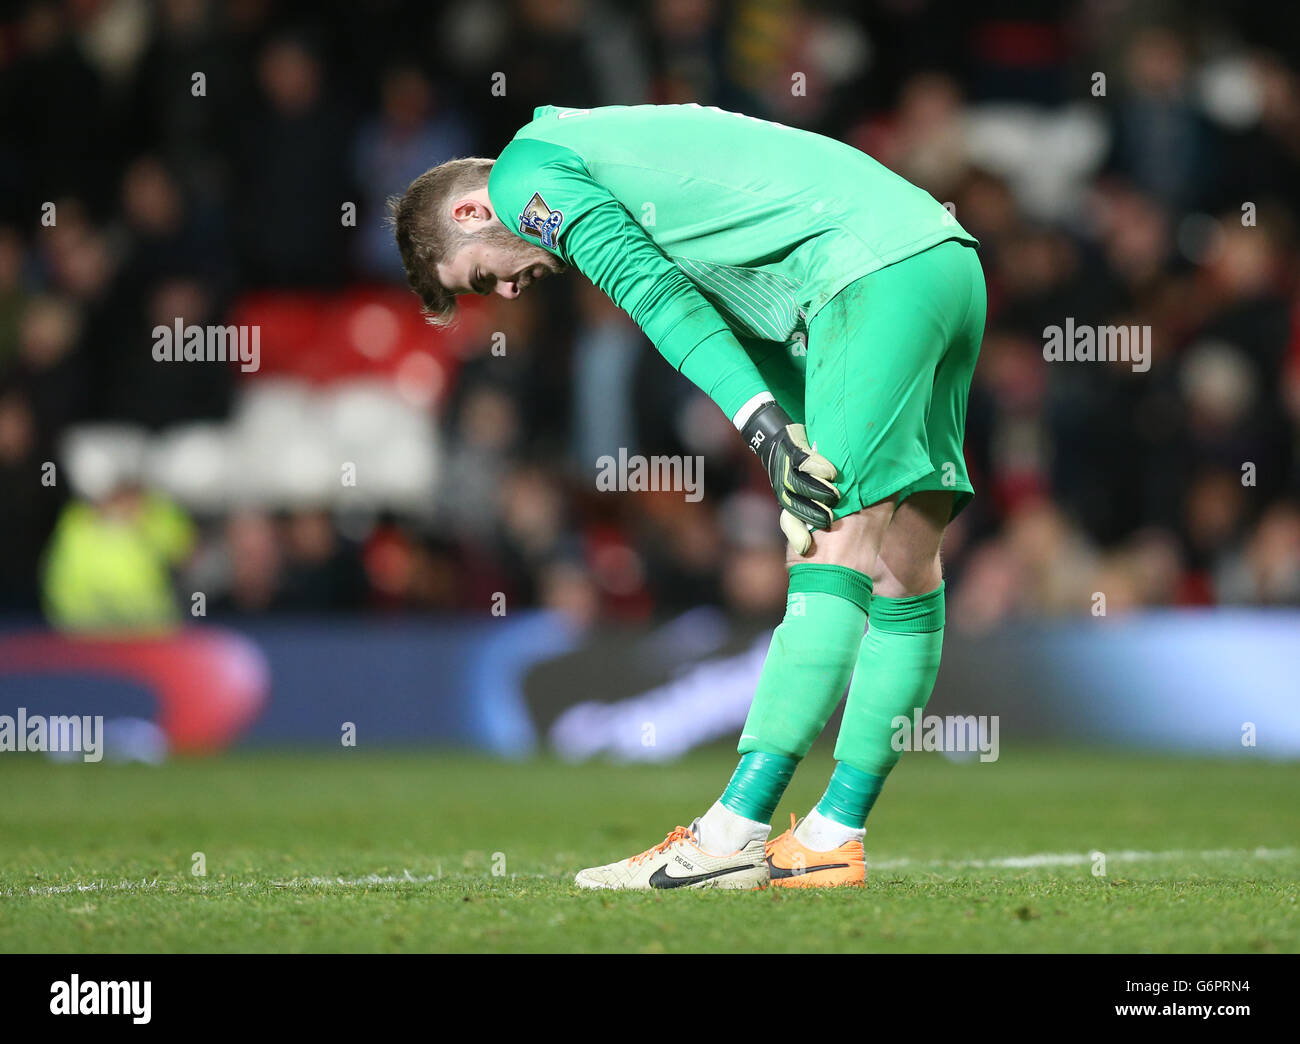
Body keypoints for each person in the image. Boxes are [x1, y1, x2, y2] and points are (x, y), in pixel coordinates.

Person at [391, 103, 986, 889]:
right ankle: (831, 833)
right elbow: (754, 318)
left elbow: (654, 294)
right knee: (906, 564)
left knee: (830, 542)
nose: (504, 291)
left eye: (479, 276)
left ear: (474, 210)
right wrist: (790, 436)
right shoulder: (605, 156)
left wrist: (765, 430)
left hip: (864, 273)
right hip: (940, 262)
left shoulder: (525, 174)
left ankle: (731, 834)